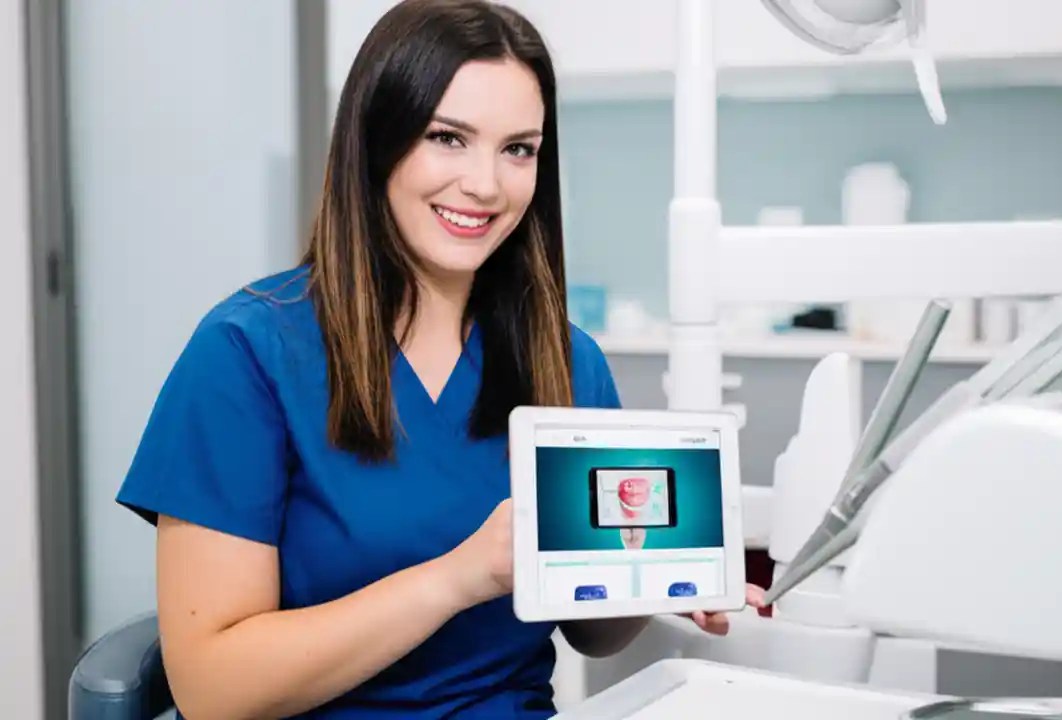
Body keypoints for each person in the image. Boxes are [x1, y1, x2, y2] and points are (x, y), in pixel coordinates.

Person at [116, 1, 764, 718]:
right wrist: (459, 578)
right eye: (448, 138)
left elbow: (593, 632)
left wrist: (663, 575)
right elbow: (213, 689)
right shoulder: (247, 353)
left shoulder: (564, 359)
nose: (486, 184)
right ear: (378, 140)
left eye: (518, 149)